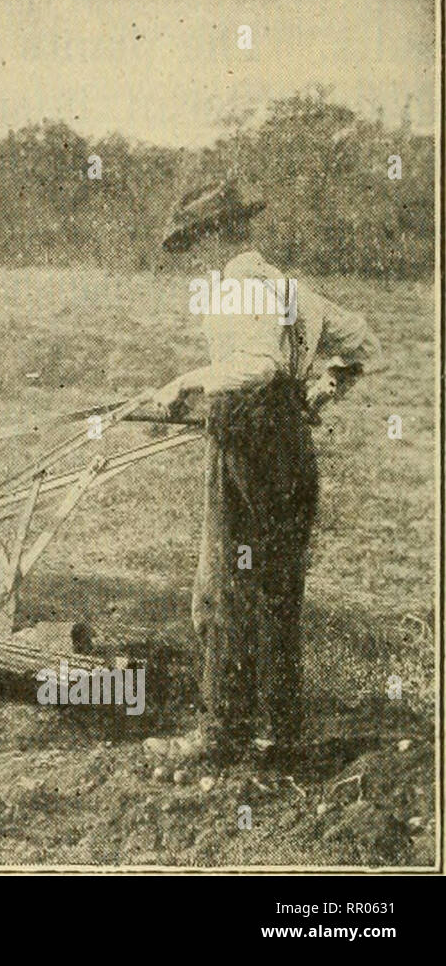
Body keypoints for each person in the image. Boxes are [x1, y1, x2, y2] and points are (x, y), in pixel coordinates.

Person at [143, 179, 384, 764]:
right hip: (288, 448)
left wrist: (184, 383)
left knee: (227, 586)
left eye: (197, 240)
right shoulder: (286, 286)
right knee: (277, 591)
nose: (196, 255)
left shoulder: (237, 286)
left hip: (251, 453)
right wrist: (326, 386)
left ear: (220, 234)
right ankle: (278, 735)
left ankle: (222, 737)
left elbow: (256, 365)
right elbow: (366, 344)